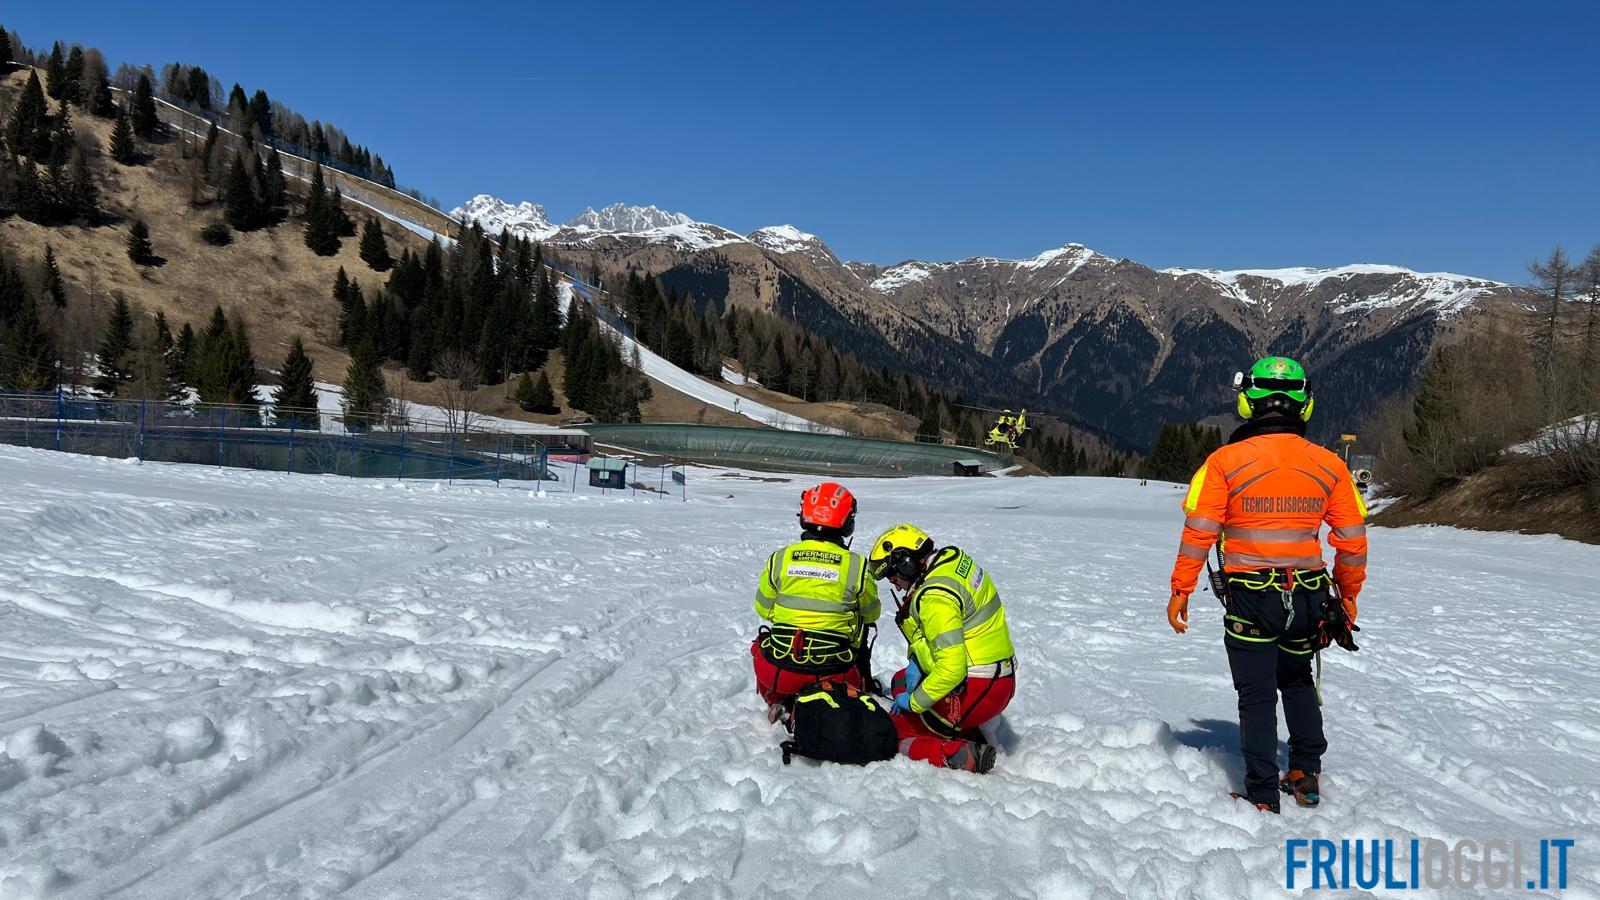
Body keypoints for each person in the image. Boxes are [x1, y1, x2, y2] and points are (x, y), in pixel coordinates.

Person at [1166, 356, 1368, 813]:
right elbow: (1352, 540)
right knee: (1297, 680)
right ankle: (1305, 773)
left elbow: (1199, 529)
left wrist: (1181, 589)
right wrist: (1348, 596)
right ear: (1305, 405)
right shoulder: (1330, 465)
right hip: (1310, 594)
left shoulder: (1223, 462)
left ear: (1246, 401)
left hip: (1251, 597)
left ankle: (1260, 793)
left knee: (1256, 693)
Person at [868, 523, 1016, 773]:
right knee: (900, 681)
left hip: (979, 688)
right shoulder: (952, 561)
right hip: (997, 677)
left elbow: (951, 669)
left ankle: (958, 754)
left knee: (892, 731)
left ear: (906, 563)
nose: (895, 585)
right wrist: (916, 661)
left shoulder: (936, 596)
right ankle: (953, 726)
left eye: (893, 576)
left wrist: (914, 703)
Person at [752, 482, 880, 722]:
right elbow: (871, 615)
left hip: (778, 673)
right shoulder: (857, 566)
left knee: (759, 647)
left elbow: (763, 608)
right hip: (833, 672)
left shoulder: (779, 559)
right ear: (848, 524)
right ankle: (826, 700)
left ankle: (778, 699)